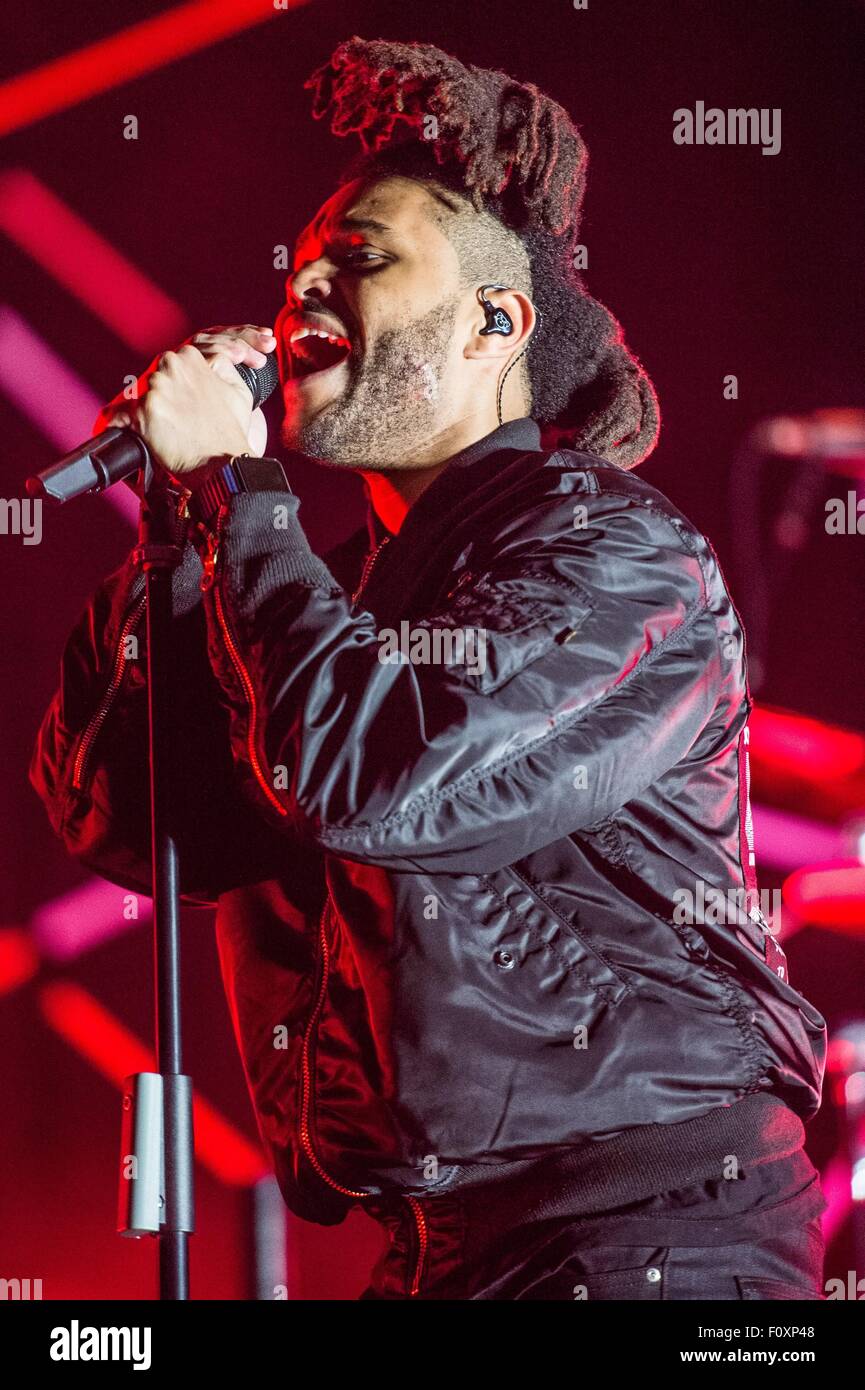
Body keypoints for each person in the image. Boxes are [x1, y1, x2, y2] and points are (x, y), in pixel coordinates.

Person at [31, 36, 828, 1300]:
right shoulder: (323, 590)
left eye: (362, 258)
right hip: (449, 1247)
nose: (304, 288)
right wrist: (184, 528)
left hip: (655, 1239)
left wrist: (241, 492)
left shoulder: (613, 551)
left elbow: (380, 777)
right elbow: (135, 819)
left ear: (494, 322)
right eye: (298, 265)